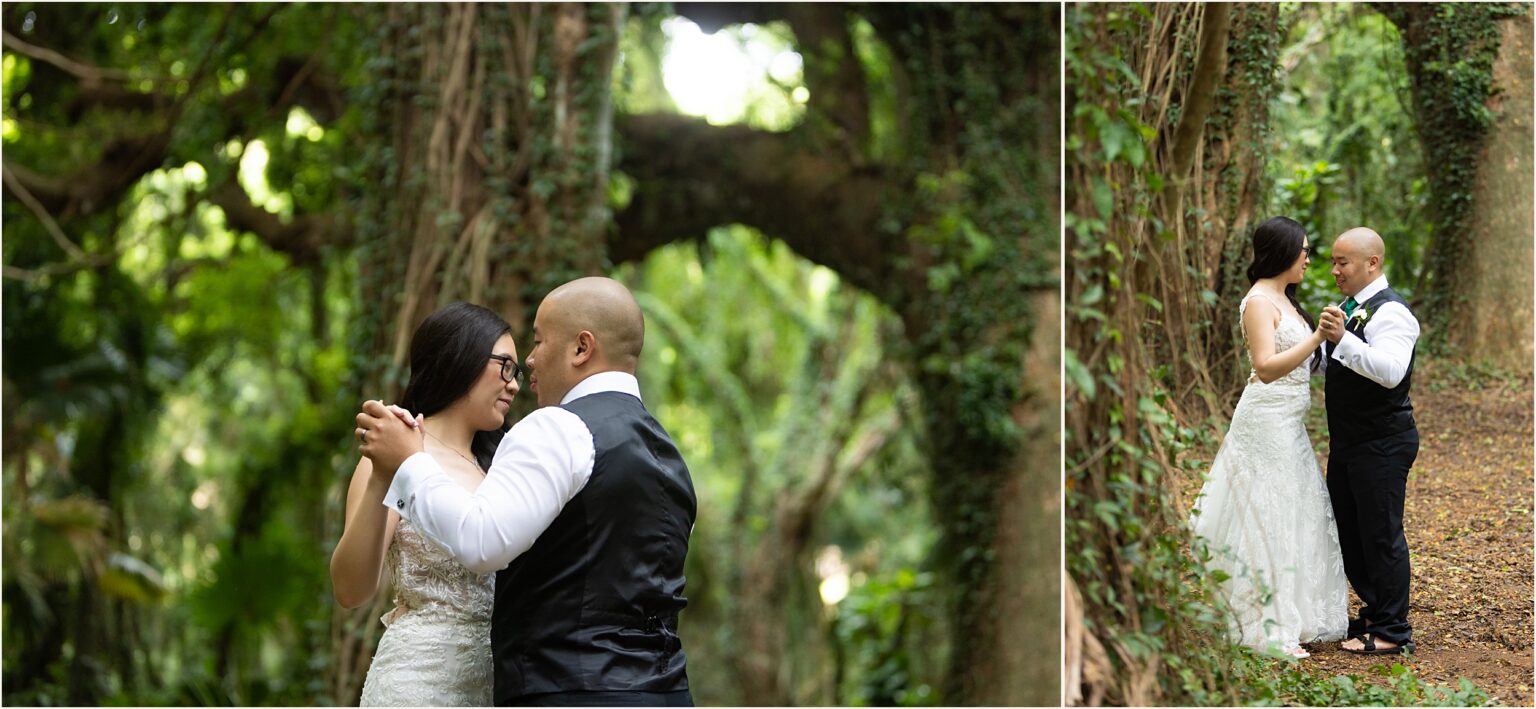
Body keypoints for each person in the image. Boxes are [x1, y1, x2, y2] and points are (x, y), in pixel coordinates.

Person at [356, 276, 697, 707]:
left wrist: (408, 462)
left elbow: (482, 542)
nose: (530, 362)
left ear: (581, 348)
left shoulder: (558, 427)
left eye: (538, 342)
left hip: (567, 691)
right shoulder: (667, 456)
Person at [332, 302, 523, 706]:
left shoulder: (505, 467)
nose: (514, 384)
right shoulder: (395, 451)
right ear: (461, 357)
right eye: (505, 366)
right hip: (417, 684)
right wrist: (384, 474)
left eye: (517, 372)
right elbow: (351, 589)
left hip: (498, 686)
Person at [1191, 216, 1348, 659]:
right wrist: (1316, 334)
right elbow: (1265, 367)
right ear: (1282, 253)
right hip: (1266, 421)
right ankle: (1266, 621)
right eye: (1303, 251)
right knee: (1269, 514)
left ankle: (1297, 613)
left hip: (1290, 422)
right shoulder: (1258, 301)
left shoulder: (1285, 298)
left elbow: (1307, 364)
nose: (1308, 259)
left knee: (1295, 510)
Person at [1317, 227, 1421, 656]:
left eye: (1343, 262)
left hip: (1382, 441)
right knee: (1351, 532)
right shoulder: (1351, 307)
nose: (1335, 270)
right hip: (1349, 441)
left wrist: (1343, 339)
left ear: (1371, 263)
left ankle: (1393, 631)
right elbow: (1338, 367)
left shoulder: (1393, 313)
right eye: (1334, 262)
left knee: (1380, 534)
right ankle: (1376, 612)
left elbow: (1390, 370)